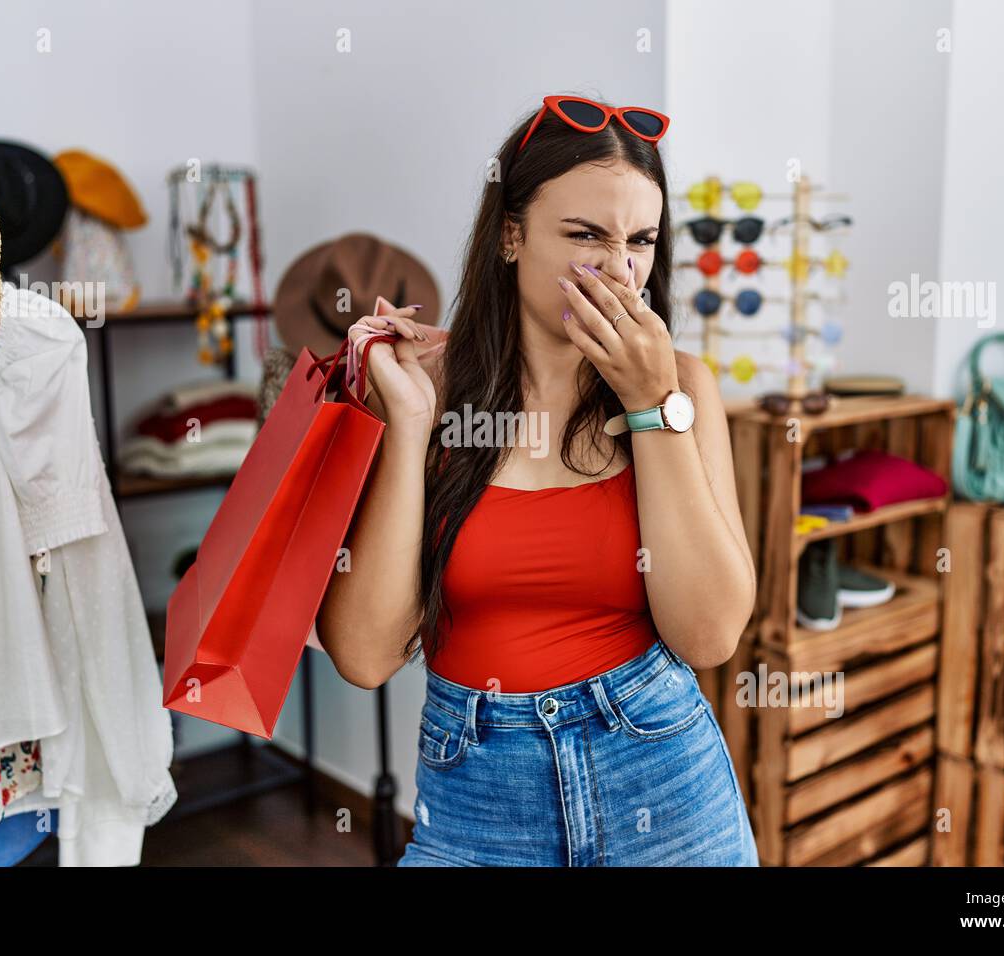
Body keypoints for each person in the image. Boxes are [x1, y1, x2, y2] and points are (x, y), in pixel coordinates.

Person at [316, 94, 759, 866]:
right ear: (513, 235)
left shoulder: (683, 383)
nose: (620, 270)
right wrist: (411, 425)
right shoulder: (425, 389)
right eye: (585, 234)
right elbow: (364, 655)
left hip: (662, 781)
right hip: (477, 802)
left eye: (641, 241)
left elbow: (710, 635)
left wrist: (652, 405)